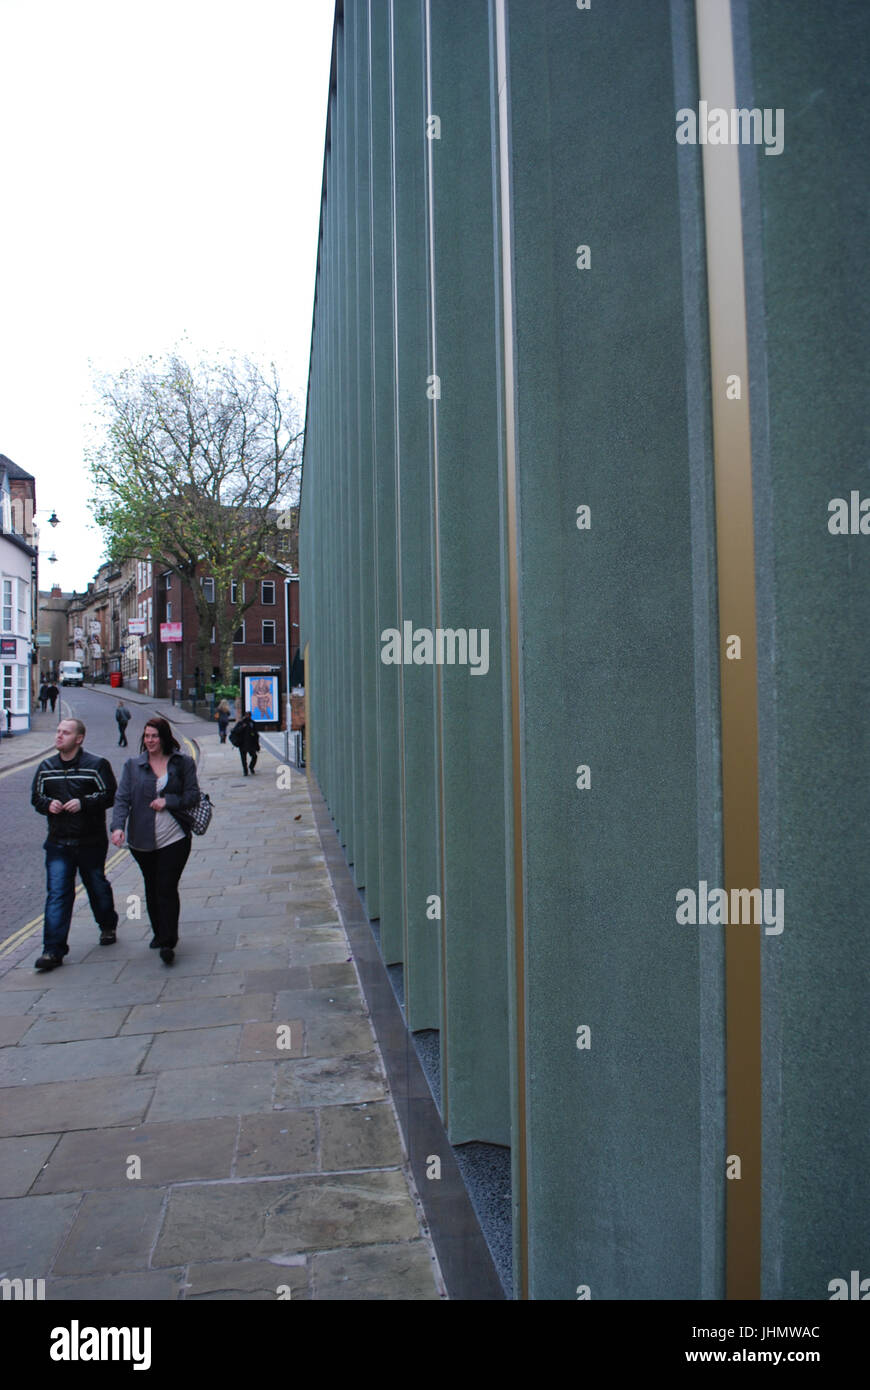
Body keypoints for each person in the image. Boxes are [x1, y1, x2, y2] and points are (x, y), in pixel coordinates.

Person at [30, 718, 119, 971]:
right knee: (58, 894)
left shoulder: (96, 765)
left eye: (65, 733)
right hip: (58, 842)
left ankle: (107, 924)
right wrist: (48, 804)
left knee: (96, 886)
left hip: (90, 841)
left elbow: (109, 794)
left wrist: (84, 802)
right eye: (58, 731)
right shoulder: (46, 767)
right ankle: (52, 950)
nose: (59, 736)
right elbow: (36, 797)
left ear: (79, 739)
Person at [110, 716, 200, 965]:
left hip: (175, 836)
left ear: (164, 737)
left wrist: (167, 801)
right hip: (142, 838)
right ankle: (159, 932)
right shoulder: (133, 766)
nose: (149, 740)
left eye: (154, 736)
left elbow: (193, 795)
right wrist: (117, 827)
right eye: (146, 736)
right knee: (152, 885)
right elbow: (122, 799)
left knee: (166, 885)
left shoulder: (183, 763)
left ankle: (169, 940)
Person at [229, 711, 260, 775]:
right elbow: (235, 731)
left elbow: (256, 735)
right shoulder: (241, 723)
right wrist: (242, 727)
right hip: (242, 743)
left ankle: (251, 767)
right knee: (243, 758)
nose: (247, 716)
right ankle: (245, 771)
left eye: (248, 715)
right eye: (246, 715)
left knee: (254, 756)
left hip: (251, 744)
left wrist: (257, 745)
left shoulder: (252, 723)